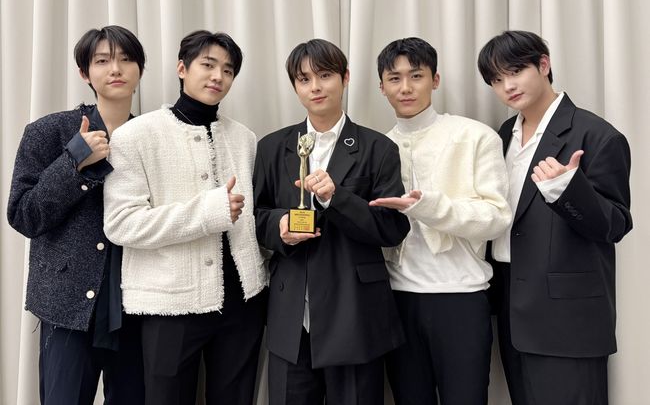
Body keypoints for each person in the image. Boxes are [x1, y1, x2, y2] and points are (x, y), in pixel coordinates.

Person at [103, 30, 268, 405]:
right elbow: (122, 223)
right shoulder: (135, 136)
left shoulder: (245, 138)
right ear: (182, 68)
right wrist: (208, 212)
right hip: (171, 306)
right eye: (208, 65)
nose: (218, 76)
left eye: (228, 70)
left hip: (243, 302)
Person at [478, 30, 633, 405]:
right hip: (512, 308)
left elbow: (616, 224)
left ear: (543, 64)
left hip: (568, 319)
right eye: (496, 79)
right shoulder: (503, 135)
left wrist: (568, 190)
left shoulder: (597, 135)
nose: (507, 86)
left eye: (515, 71)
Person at [253, 38, 410, 405]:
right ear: (295, 86)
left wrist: (336, 198)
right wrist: (280, 227)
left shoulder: (378, 148)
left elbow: (392, 229)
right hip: (291, 314)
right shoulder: (272, 147)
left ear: (345, 78)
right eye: (304, 79)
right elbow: (256, 217)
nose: (315, 87)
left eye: (324, 75)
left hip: (354, 313)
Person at [7, 25, 146, 404]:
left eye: (126, 59)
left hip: (138, 302)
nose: (115, 69)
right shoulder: (48, 131)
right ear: (85, 73)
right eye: (102, 61)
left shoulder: (151, 136)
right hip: (67, 304)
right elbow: (23, 215)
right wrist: (74, 161)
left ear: (139, 69)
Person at [369, 37, 512, 405]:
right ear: (381, 86)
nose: (405, 87)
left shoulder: (475, 136)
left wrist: (427, 206)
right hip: (397, 299)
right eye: (394, 78)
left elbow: (496, 218)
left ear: (435, 80)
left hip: (461, 298)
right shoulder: (375, 147)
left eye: (416, 76)